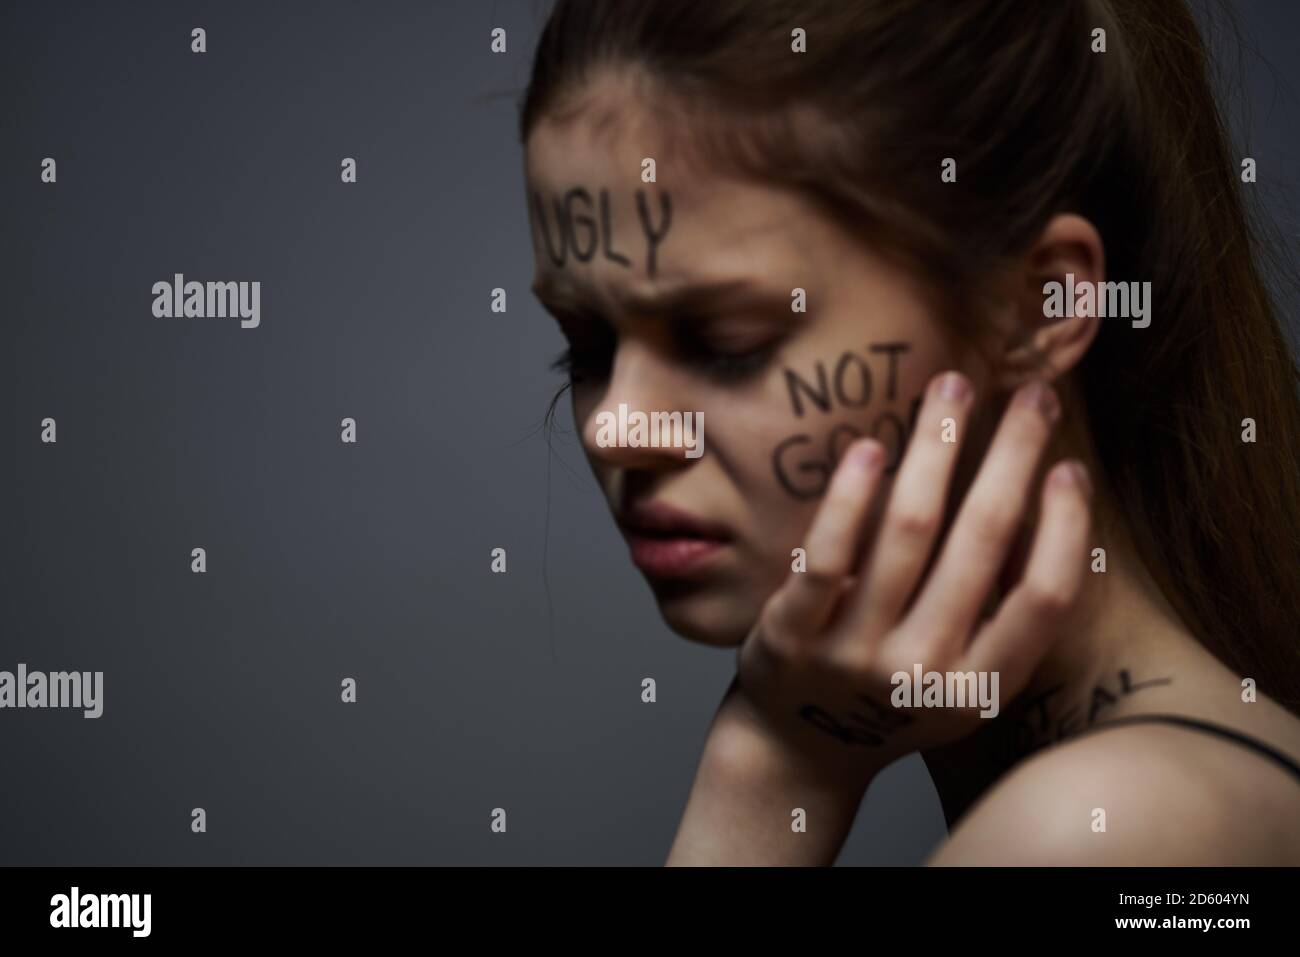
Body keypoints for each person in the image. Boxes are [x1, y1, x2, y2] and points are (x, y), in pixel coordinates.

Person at [520, 0, 1300, 864]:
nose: (621, 426)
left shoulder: (1098, 830)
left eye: (726, 342)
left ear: (1043, 307)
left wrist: (769, 773)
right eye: (584, 347)